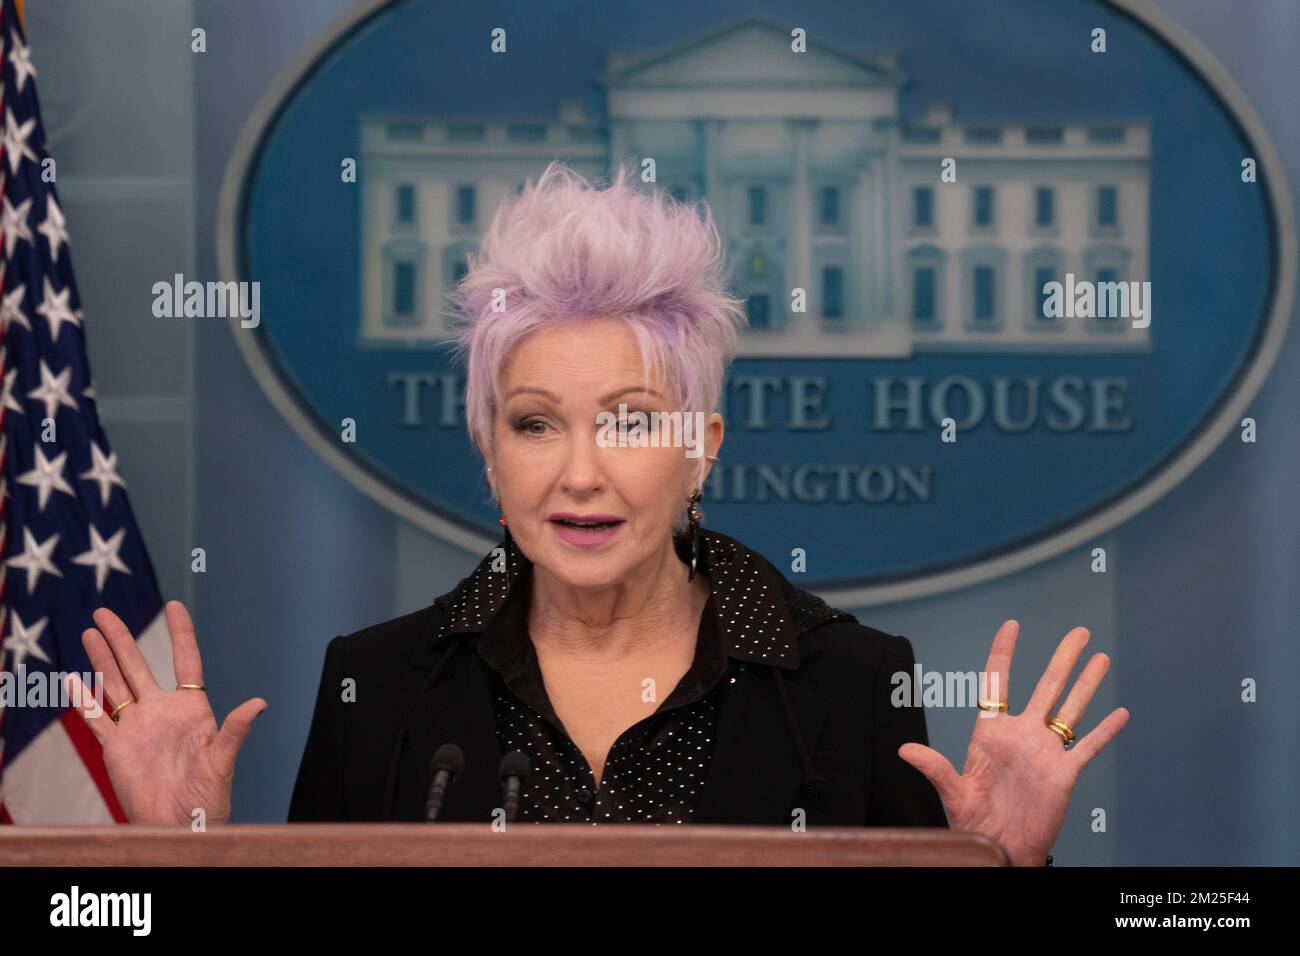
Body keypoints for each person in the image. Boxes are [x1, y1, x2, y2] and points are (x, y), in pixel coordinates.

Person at [68, 162, 1128, 864]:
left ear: (699, 448)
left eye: (627, 423)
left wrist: (1003, 864)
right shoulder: (379, 684)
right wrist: (181, 852)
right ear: (488, 451)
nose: (579, 473)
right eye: (534, 424)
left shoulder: (850, 683)